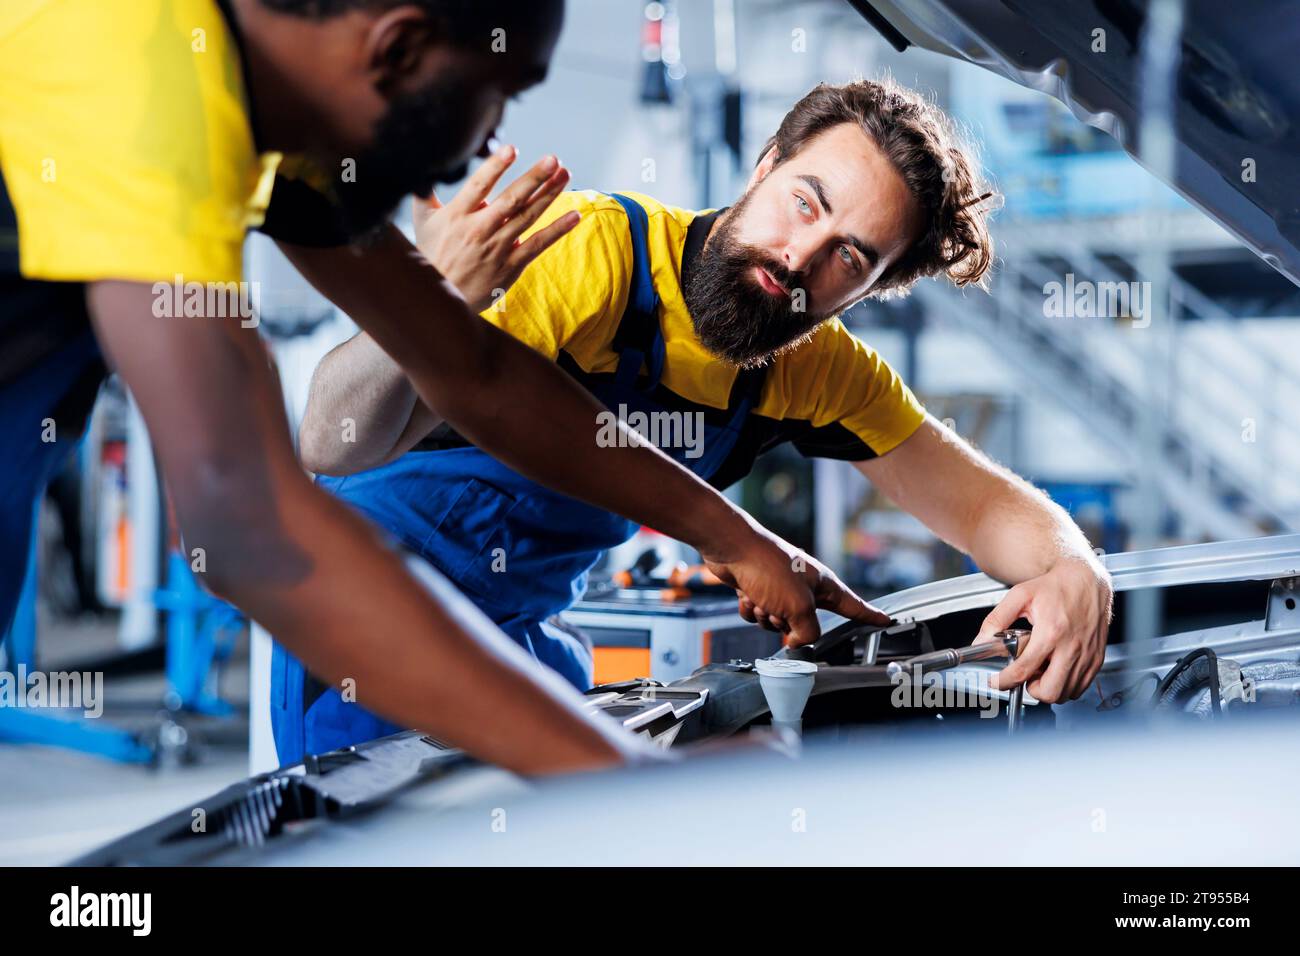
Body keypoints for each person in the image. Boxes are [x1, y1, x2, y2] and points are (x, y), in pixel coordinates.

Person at [0, 0, 880, 774]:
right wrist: (614, 771)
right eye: (496, 92)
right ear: (398, 48)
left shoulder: (263, 105)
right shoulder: (136, 77)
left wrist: (736, 535)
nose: (482, 146)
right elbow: (242, 520)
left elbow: (475, 371)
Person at [301, 80, 1116, 756]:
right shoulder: (595, 256)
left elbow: (978, 504)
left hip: (520, 628)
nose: (800, 258)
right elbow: (334, 443)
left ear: (870, 293)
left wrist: (1077, 569)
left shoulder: (816, 370)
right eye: (806, 202)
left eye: (851, 257)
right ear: (766, 165)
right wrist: (423, 304)